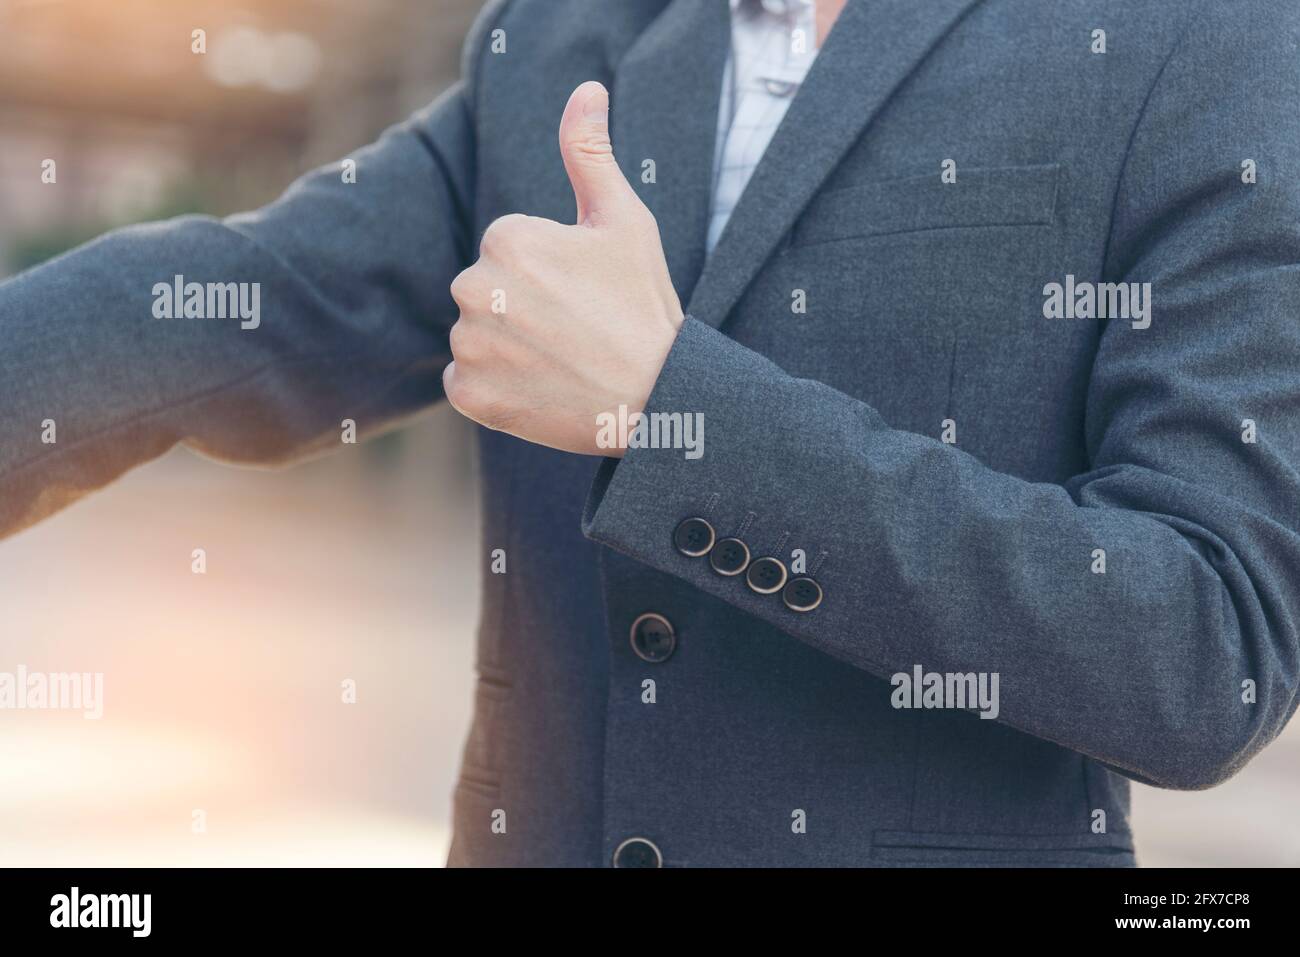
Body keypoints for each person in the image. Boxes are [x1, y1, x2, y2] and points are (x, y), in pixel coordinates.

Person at [3, 0, 1300, 868]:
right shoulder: (566, 34)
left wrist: (672, 412)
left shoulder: (1211, 41)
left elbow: (1208, 647)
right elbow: (253, 304)